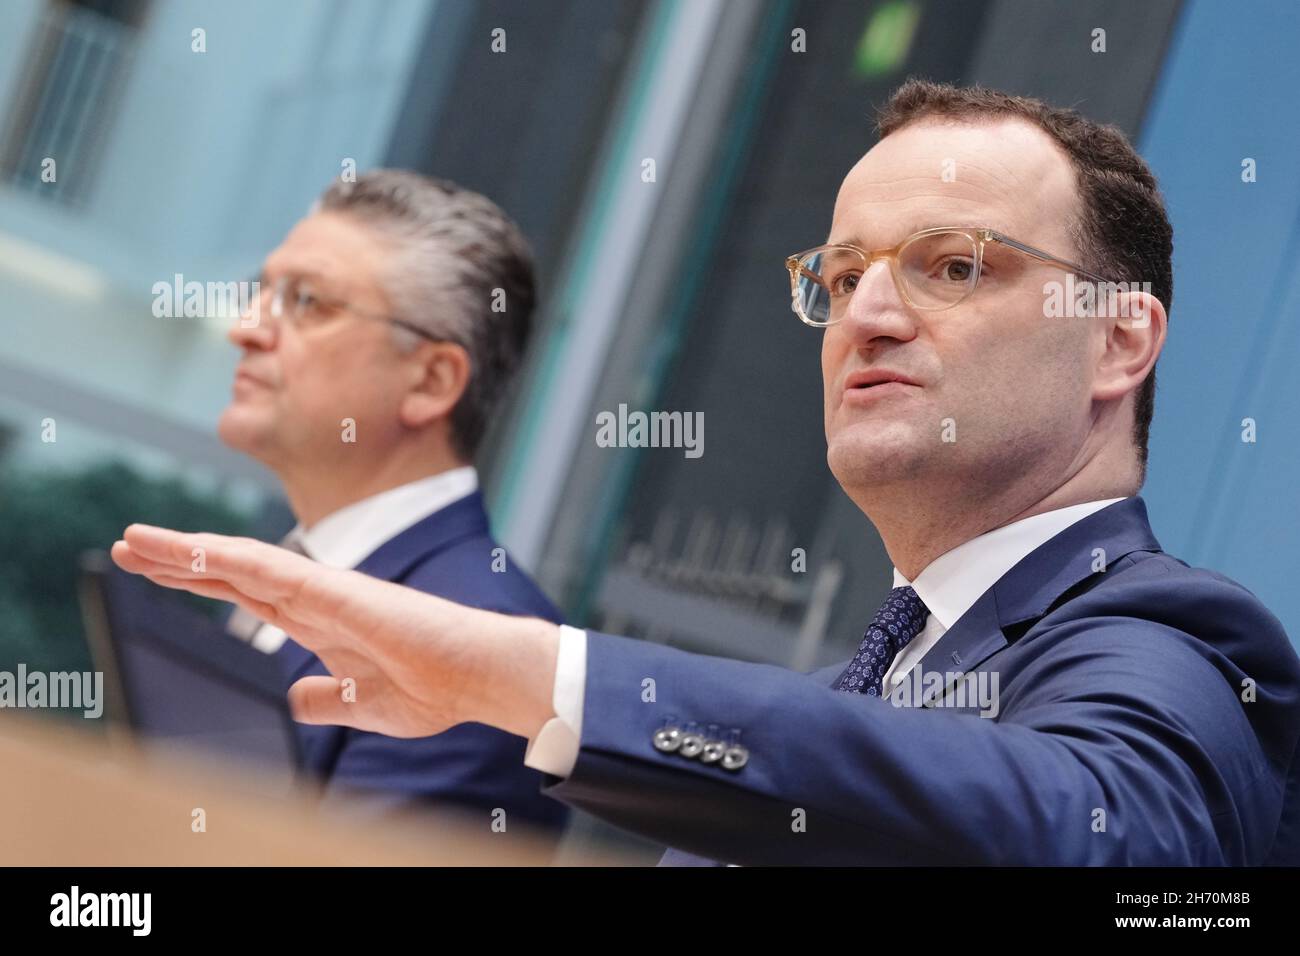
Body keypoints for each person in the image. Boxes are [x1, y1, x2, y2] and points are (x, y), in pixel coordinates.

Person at [114, 81, 1299, 865]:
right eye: (837, 279)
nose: (867, 314)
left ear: (1117, 338)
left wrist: (543, 676)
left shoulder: (1170, 644)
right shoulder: (864, 686)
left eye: (951, 265)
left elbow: (1087, 825)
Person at [215, 169, 568, 833]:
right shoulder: (291, 566)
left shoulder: (482, 643)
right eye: (261, 291)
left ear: (431, 380)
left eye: (308, 302)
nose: (247, 328)